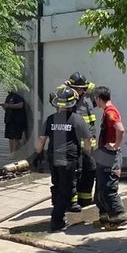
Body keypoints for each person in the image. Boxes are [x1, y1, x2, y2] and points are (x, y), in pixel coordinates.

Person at [33, 86, 91, 232]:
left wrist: (37, 154)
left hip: (52, 159)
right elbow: (88, 141)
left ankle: (57, 210)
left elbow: (41, 140)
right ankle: (57, 219)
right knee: (66, 190)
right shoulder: (78, 120)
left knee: (57, 185)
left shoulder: (50, 119)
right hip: (69, 160)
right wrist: (86, 153)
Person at [60, 72, 98, 211]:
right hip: (74, 145)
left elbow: (99, 90)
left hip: (89, 145)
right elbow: (54, 95)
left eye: (82, 88)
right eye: (77, 88)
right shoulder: (67, 99)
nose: (80, 90)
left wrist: (86, 85)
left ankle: (86, 199)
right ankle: (72, 201)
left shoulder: (89, 98)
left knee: (90, 171)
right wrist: (66, 86)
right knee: (75, 173)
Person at [92, 86, 127, 229]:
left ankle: (118, 218)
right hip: (104, 155)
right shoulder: (107, 112)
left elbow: (120, 129)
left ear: (99, 98)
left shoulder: (110, 112)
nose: (95, 101)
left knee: (108, 190)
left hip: (110, 156)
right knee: (100, 190)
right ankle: (105, 218)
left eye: (95, 98)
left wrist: (116, 145)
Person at [1, 90, 28, 154]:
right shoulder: (9, 96)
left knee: (16, 138)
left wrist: (9, 106)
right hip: (9, 120)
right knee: (10, 137)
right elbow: (6, 106)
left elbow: (20, 105)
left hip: (17, 120)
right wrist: (5, 106)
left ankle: (14, 153)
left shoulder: (19, 96)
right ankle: (11, 153)